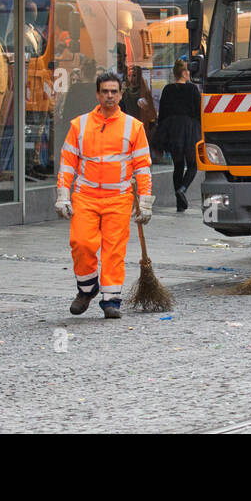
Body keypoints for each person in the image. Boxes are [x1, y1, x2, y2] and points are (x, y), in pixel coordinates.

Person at [55, 71, 153, 319]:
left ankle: (111, 300)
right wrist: (63, 195)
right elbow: (68, 163)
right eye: (105, 91)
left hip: (118, 198)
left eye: (114, 91)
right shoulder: (80, 125)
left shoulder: (134, 127)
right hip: (85, 194)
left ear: (121, 94)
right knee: (81, 243)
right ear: (98, 94)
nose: (109, 96)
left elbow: (142, 167)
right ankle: (87, 289)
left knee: (113, 250)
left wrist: (145, 202)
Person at [155, 59, 202, 211]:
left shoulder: (168, 89)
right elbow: (198, 111)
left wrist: (161, 134)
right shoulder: (192, 89)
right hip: (189, 129)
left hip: (172, 129)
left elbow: (162, 112)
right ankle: (182, 189)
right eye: (188, 71)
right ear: (184, 73)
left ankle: (179, 204)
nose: (190, 74)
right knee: (193, 165)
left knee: (178, 165)